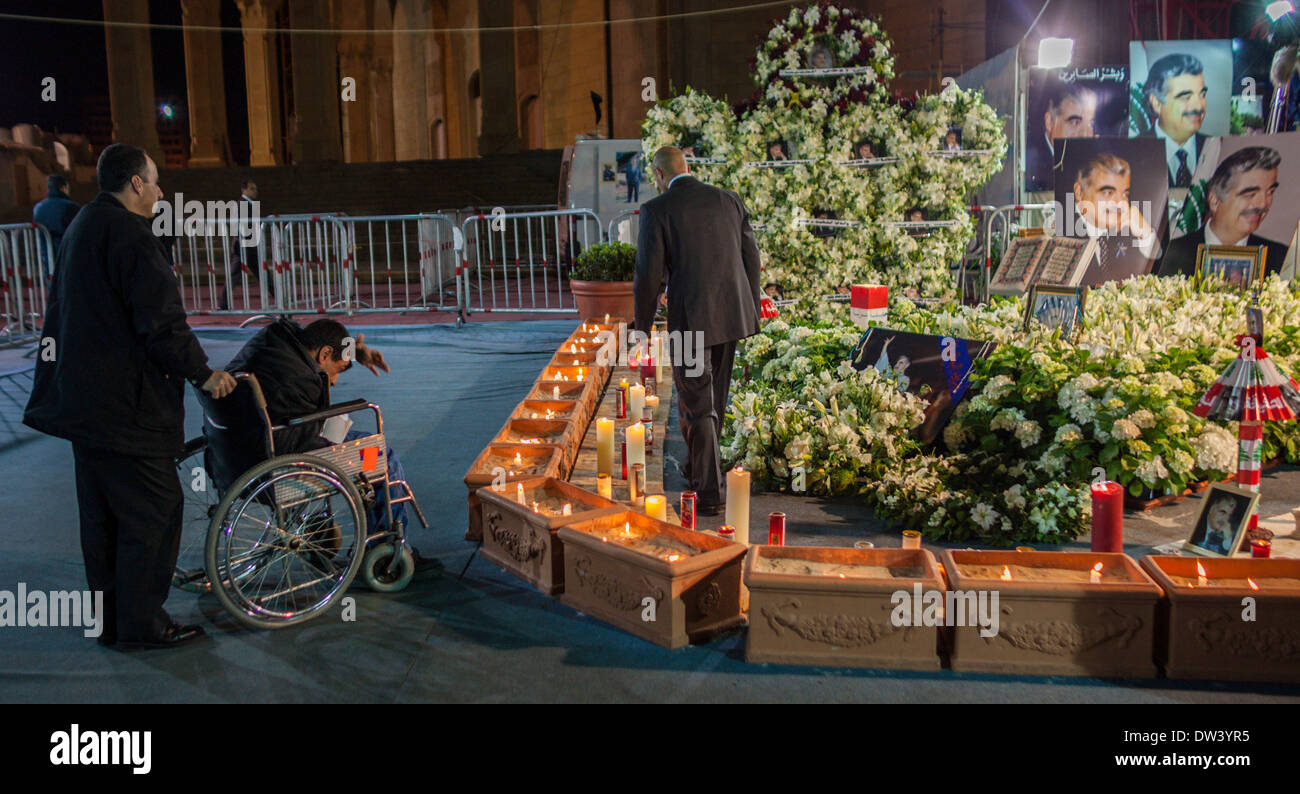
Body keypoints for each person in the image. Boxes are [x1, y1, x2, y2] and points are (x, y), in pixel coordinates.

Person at [24, 143, 237, 650]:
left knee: (102, 517)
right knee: (152, 511)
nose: (161, 191)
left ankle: (111, 619)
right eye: (156, 181)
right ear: (136, 184)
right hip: (126, 406)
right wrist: (203, 375)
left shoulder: (83, 226)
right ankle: (142, 623)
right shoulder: (131, 235)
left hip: (83, 403)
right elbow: (161, 323)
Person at [634, 147, 762, 516]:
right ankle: (695, 467)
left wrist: (641, 328)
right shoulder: (728, 200)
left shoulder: (657, 210)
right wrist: (750, 311)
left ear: (658, 174)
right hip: (731, 316)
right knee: (713, 399)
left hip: (691, 321)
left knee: (697, 403)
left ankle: (708, 493)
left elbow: (647, 275)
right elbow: (750, 257)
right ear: (687, 168)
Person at [224, 318, 408, 535]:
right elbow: (311, 443)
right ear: (324, 354)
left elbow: (321, 336)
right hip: (279, 462)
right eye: (337, 370)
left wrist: (354, 352)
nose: (334, 381)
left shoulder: (277, 338)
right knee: (379, 455)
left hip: (234, 458)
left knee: (347, 430)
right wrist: (336, 437)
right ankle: (386, 546)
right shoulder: (298, 380)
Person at [1159, 146, 1289, 278]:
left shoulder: (1282, 259)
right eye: (1250, 194)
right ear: (1215, 201)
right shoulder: (1170, 254)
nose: (1263, 204)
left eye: (1270, 192)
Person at [1069, 152, 1160, 284]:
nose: (1120, 202)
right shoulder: (1060, 231)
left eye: (1124, 194)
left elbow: (1162, 279)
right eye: (1108, 193)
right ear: (1079, 192)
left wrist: (1146, 235)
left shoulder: (1128, 229)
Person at [1141, 53, 1209, 187]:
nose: (1199, 106)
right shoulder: (1135, 150)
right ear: (1157, 103)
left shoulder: (1215, 147)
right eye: (1185, 96)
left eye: (1202, 95)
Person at [1025, 83, 1098, 192]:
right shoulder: (1030, 162)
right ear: (1049, 122)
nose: (1085, 134)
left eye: (1090, 124)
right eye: (1075, 122)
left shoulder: (1090, 161)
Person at [219, 179, 263, 311]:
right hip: (245, 245)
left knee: (259, 273)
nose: (255, 191)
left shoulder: (247, 204)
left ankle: (223, 304)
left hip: (246, 245)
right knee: (259, 273)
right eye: (252, 189)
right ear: (244, 190)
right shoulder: (242, 204)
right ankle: (223, 303)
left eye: (255, 188)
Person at [32, 174, 81, 279]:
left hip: (47, 258)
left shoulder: (38, 207)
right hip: (67, 259)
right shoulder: (71, 207)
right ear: (63, 187)